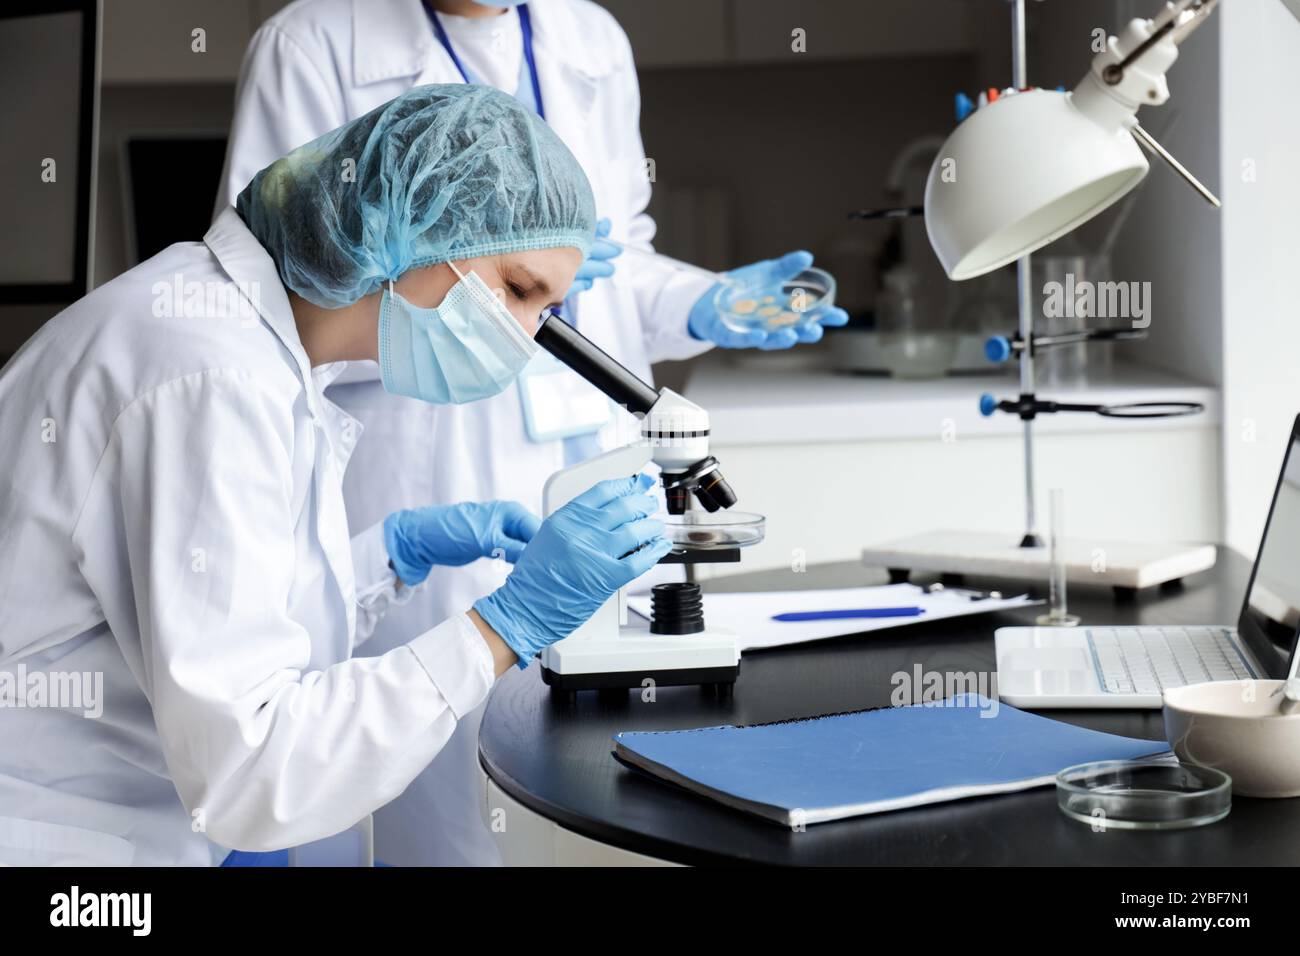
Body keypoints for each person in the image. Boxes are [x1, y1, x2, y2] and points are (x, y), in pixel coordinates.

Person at [215, 0, 850, 866]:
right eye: (517, 291)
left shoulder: (589, 37)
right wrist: (482, 297)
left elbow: (609, 268)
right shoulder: (316, 39)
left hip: (579, 453)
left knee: (596, 772)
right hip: (425, 456)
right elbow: (291, 275)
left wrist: (697, 301)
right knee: (443, 787)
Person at [0, 85, 671, 866]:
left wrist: (387, 557)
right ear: (411, 225)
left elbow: (209, 623)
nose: (526, 341)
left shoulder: (236, 335)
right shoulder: (210, 377)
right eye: (520, 292)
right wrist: (503, 628)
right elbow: (254, 772)